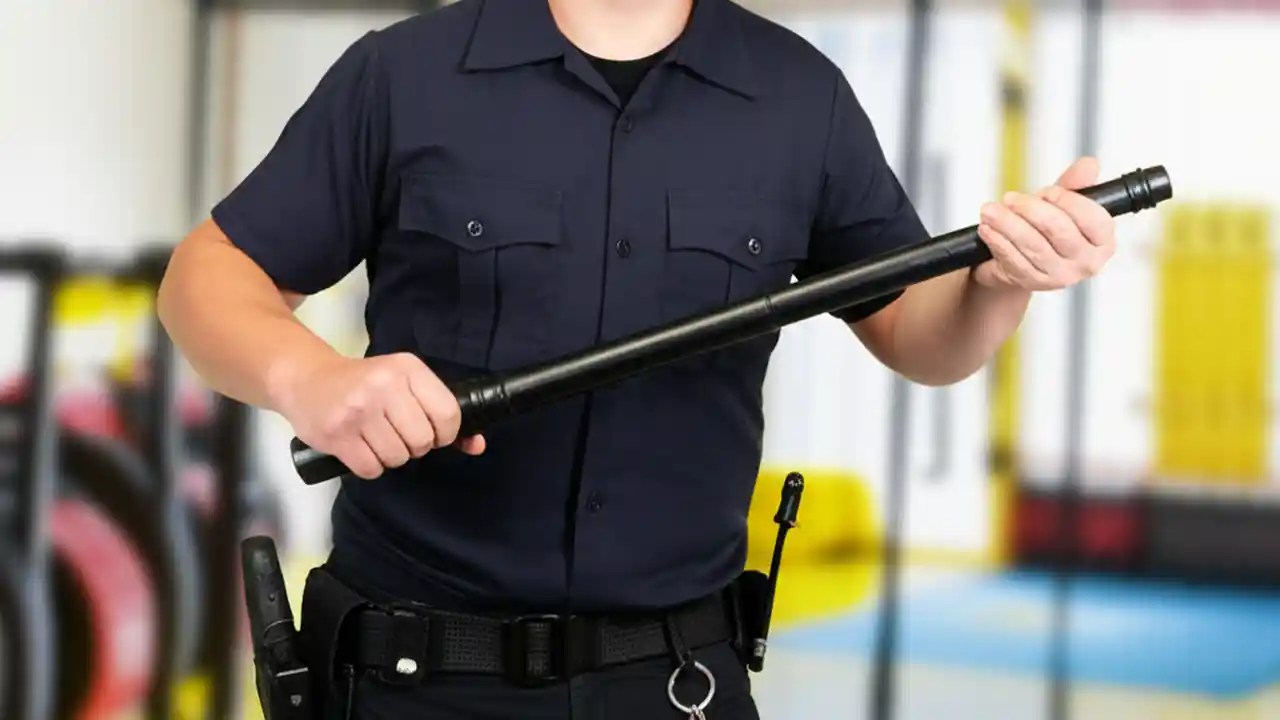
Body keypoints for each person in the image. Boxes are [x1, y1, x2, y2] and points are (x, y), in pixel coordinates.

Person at [157, 0, 1118, 717]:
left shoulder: (799, 98)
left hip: (677, 685)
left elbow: (920, 334)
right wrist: (309, 379)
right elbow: (207, 275)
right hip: (410, 681)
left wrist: (1000, 284)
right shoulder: (402, 76)